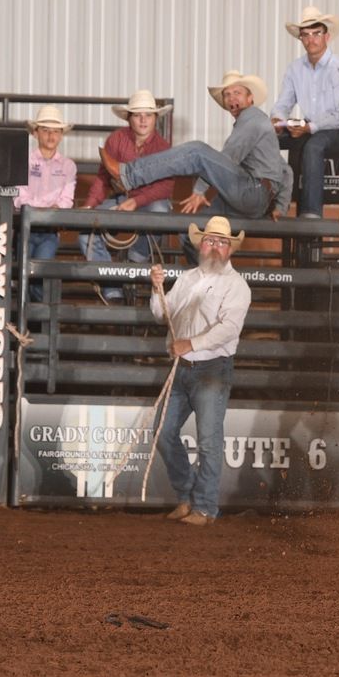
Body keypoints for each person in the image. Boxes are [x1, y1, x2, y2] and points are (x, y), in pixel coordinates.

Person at [150, 215, 251, 526]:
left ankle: (204, 508)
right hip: (184, 367)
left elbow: (228, 329)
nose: (216, 246)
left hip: (212, 368)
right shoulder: (187, 279)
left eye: (222, 242)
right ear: (201, 245)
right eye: (210, 240)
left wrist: (190, 343)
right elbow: (161, 314)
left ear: (230, 249)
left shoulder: (237, 286)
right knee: (163, 432)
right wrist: (156, 289)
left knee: (208, 440)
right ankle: (187, 496)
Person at [102, 70, 292, 225]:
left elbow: (229, 157)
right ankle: (196, 260)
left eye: (237, 93)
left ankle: (128, 174)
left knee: (196, 151)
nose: (231, 98)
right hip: (252, 196)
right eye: (227, 94)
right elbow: (286, 170)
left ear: (250, 98)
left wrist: (200, 190)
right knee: (194, 233)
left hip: (252, 192)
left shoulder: (252, 118)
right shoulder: (257, 125)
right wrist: (281, 207)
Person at [80, 90, 174, 304]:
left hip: (149, 203)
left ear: (155, 118)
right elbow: (103, 177)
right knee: (85, 231)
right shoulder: (116, 140)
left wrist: (137, 201)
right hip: (121, 198)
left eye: (148, 115)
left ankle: (135, 262)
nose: (143, 120)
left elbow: (166, 187)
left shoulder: (163, 147)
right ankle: (112, 288)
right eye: (137, 115)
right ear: (129, 118)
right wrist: (90, 206)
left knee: (160, 210)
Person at [272, 6, 339, 219]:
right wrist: (278, 120)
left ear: (326, 36)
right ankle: (266, 201)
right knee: (267, 138)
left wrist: (309, 127)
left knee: (313, 146)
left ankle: (311, 214)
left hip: (338, 130)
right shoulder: (295, 68)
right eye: (306, 34)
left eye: (316, 33)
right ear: (300, 38)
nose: (311, 39)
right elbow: (284, 103)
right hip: (308, 127)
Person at [17, 106, 78, 302]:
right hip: (26, 227)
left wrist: (38, 209)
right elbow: (19, 194)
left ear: (61, 135)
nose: (51, 136)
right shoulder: (23, 160)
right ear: (36, 133)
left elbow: (66, 200)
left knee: (37, 275)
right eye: (45, 130)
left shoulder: (68, 166)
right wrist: (48, 209)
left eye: (56, 131)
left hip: (47, 230)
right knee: (24, 275)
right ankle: (34, 315)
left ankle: (35, 316)